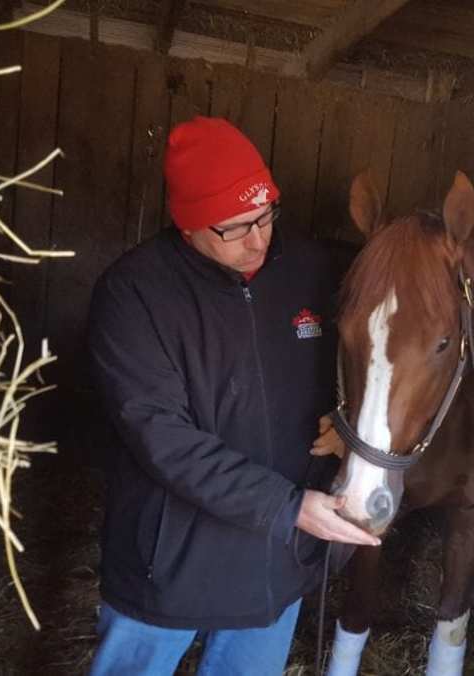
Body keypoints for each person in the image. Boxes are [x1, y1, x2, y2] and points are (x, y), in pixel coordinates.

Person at [85, 116, 378, 676]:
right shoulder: (135, 294)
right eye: (234, 228)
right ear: (187, 225)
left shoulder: (310, 269)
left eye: (266, 216)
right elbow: (161, 437)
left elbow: (366, 360)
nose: (258, 240)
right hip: (171, 560)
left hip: (275, 560)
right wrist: (290, 507)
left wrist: (346, 422)